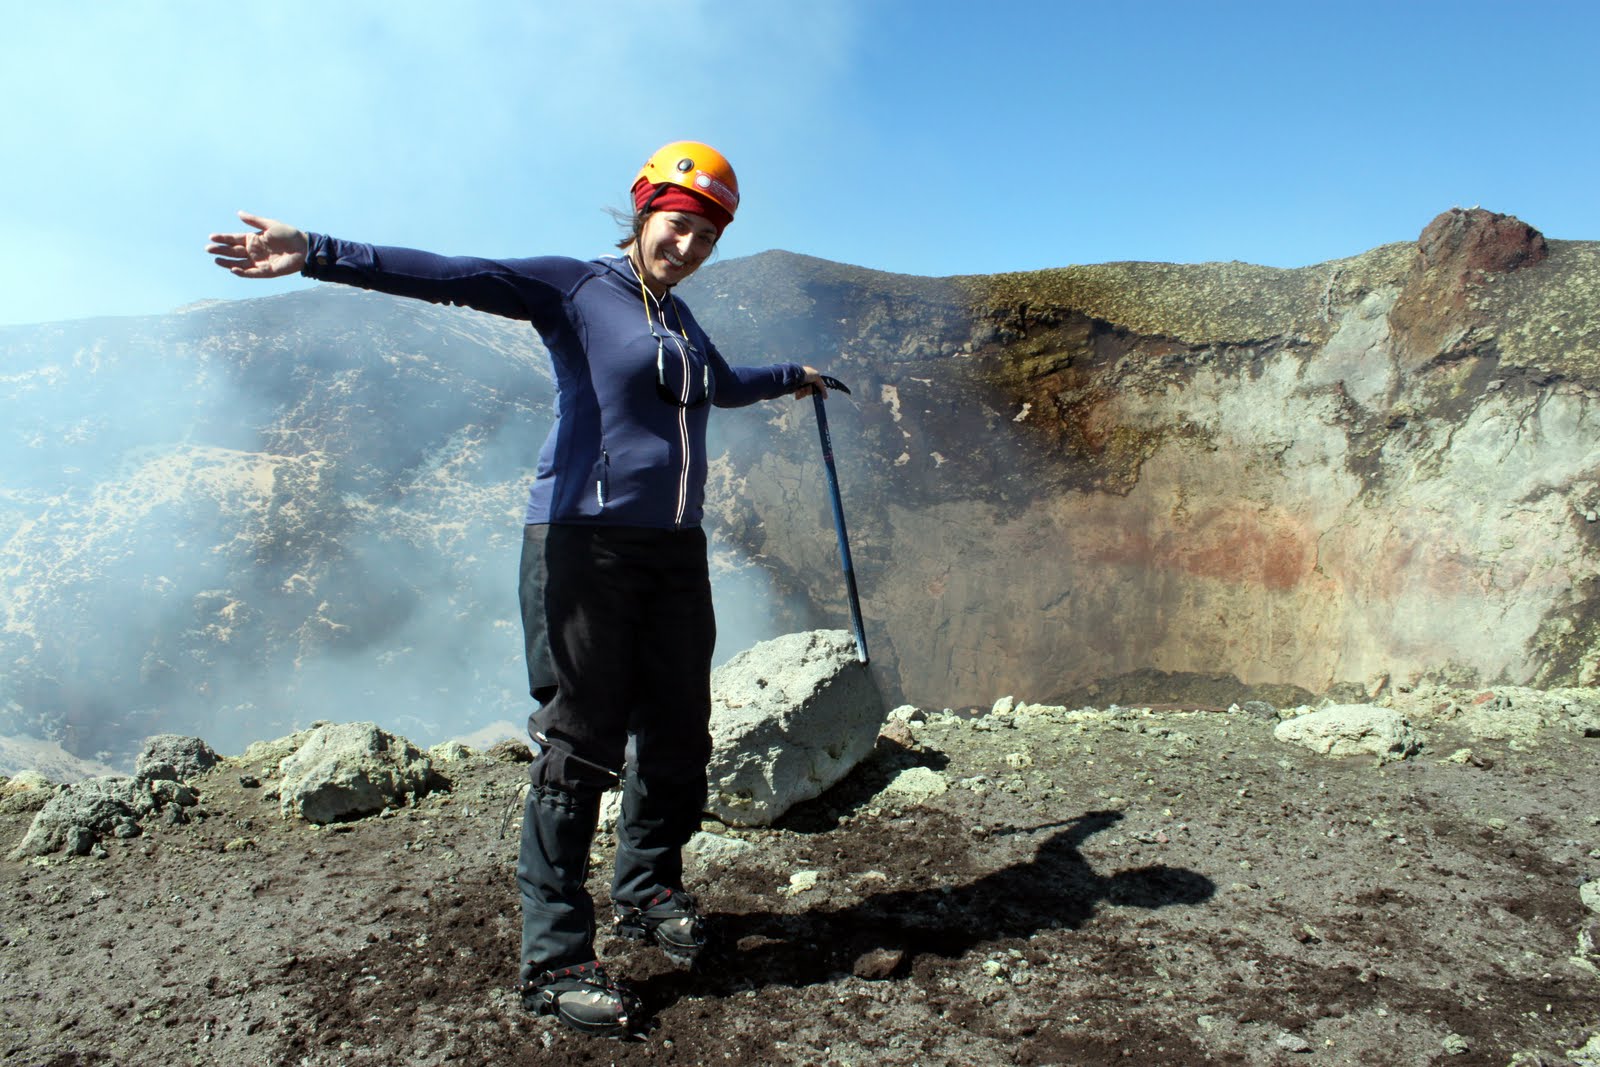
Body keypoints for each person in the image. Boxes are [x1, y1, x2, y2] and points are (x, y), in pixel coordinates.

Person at [207, 140, 831, 1038]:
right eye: (679, 225)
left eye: (708, 235)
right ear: (644, 211)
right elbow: (454, 274)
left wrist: (791, 378)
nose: (689, 245)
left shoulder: (681, 321)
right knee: (580, 748)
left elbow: (718, 387)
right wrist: (317, 250)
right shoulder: (577, 290)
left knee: (679, 733)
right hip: (581, 547)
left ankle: (650, 886)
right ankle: (556, 957)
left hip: (673, 553)